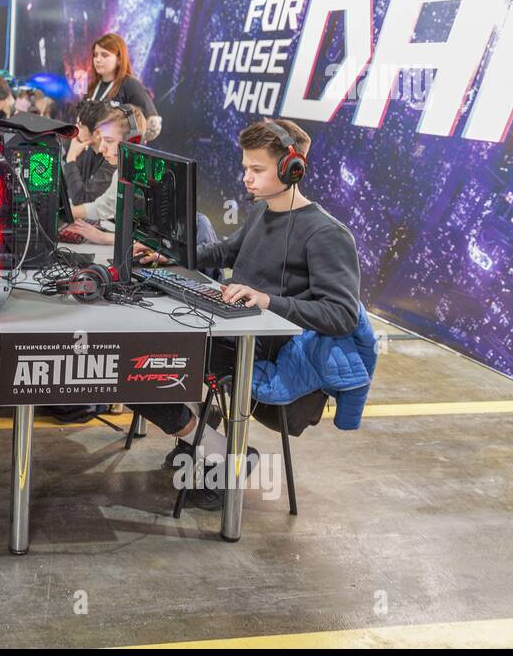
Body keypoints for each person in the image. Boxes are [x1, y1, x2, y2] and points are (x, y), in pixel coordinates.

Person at [129, 119, 361, 509]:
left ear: (293, 168)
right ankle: (203, 439)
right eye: (245, 168)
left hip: (265, 352)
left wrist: (269, 300)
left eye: (257, 170)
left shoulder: (326, 234)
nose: (246, 178)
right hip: (231, 333)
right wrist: (169, 256)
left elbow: (341, 315)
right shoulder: (263, 212)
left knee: (130, 364)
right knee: (132, 345)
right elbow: (223, 253)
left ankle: (218, 448)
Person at [68, 105, 146, 227]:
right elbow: (102, 207)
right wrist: (58, 212)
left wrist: (105, 238)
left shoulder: (149, 179)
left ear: (132, 142)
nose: (101, 148)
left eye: (109, 141)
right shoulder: (119, 173)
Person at [84, 33, 162, 141]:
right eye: (95, 55)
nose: (98, 59)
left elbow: (153, 124)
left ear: (119, 59)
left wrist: (127, 146)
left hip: (113, 155)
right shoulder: (92, 86)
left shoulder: (129, 85)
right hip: (89, 153)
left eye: (104, 55)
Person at [63, 96, 115, 205]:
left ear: (96, 133)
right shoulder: (89, 150)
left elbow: (81, 199)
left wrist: (71, 159)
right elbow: (71, 188)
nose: (75, 129)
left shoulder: (112, 161)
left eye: (80, 126)